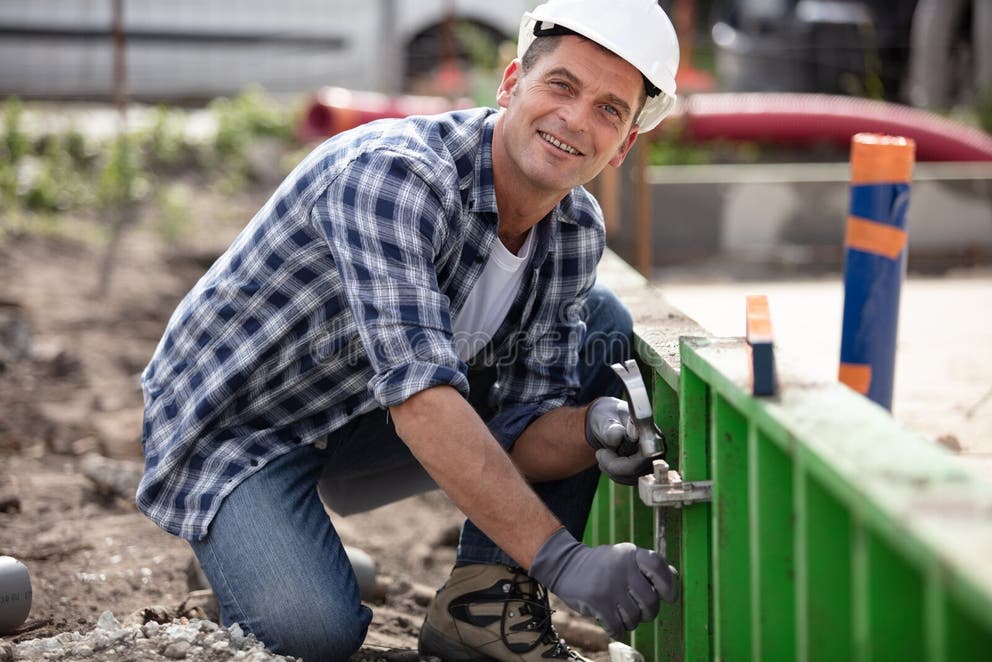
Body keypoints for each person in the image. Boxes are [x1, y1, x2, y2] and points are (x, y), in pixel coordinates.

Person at [136, 0, 682, 659]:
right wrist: (563, 561)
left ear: (623, 144)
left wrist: (591, 426)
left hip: (363, 410)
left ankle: (483, 614)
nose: (575, 119)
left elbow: (526, 431)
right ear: (511, 84)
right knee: (314, 633)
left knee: (604, 321)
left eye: (608, 109)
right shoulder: (397, 177)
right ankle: (245, 541)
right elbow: (423, 404)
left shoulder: (573, 234)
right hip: (240, 422)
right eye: (561, 85)